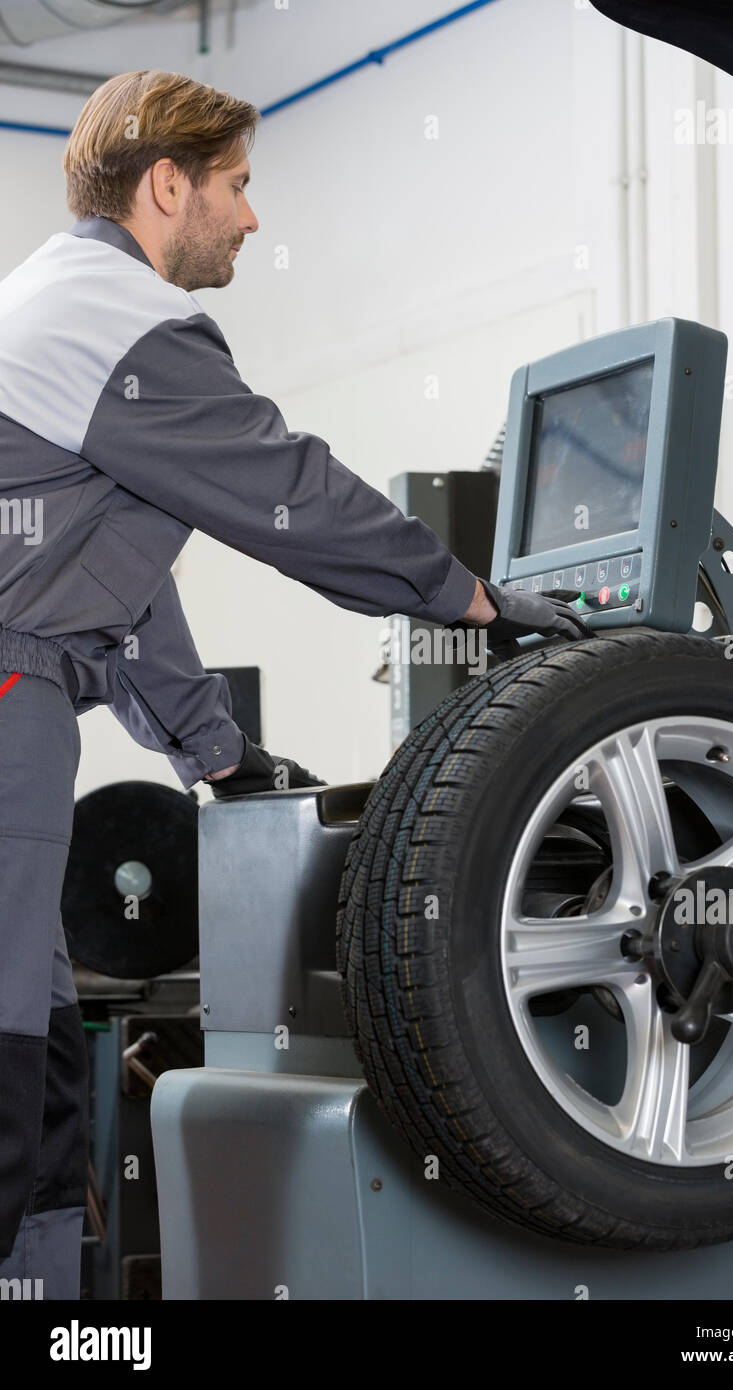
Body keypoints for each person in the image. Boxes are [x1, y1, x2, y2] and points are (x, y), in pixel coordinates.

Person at [0, 70, 587, 1299]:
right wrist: (471, 600)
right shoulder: (118, 320)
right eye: (238, 186)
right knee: (5, 1074)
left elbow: (123, 580)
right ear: (169, 184)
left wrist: (214, 750)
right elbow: (289, 494)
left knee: (43, 1063)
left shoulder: (55, 309)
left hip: (30, 700)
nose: (252, 218)